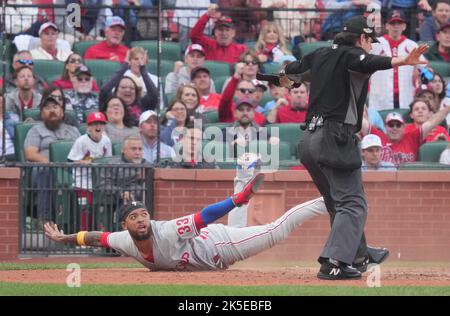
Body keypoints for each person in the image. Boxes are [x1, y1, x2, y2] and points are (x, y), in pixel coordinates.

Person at [269, 15, 427, 279]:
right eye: (370, 41)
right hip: (335, 138)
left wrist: (282, 77)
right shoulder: (353, 55)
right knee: (353, 203)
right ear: (362, 38)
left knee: (338, 202)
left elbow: (290, 71)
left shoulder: (318, 53)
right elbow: (370, 61)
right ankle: (334, 262)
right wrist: (403, 61)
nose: (371, 46)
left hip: (308, 141)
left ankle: (358, 253)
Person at [44, 174, 332, 272]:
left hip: (222, 246)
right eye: (134, 217)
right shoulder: (123, 241)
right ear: (125, 226)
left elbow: (203, 217)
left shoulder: (165, 231)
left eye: (144, 213)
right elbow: (95, 237)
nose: (142, 219)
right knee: (253, 228)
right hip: (212, 256)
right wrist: (65, 238)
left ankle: (326, 202)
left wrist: (238, 199)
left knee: (275, 230)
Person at [24, 95, 81, 223]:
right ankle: (45, 219)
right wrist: (52, 164)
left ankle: (76, 222)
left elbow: (82, 152)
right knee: (45, 171)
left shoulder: (73, 131)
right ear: (42, 113)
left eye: (55, 107)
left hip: (70, 170)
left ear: (62, 112)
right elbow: (30, 154)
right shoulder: (35, 130)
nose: (52, 110)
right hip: (43, 170)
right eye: (47, 107)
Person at [368, 10, 426, 111]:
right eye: (392, 23)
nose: (396, 26)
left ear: (404, 26)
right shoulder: (375, 44)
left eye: (399, 23)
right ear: (386, 26)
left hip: (405, 96)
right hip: (380, 97)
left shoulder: (412, 45)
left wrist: (421, 71)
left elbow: (424, 68)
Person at [67, 111, 112, 230]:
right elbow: (70, 161)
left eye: (101, 124)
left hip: (100, 182)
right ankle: (83, 236)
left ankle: (97, 237)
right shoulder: (81, 141)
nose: (98, 127)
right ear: (88, 127)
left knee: (100, 209)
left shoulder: (106, 141)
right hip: (82, 181)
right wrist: (83, 162)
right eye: (94, 124)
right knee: (85, 209)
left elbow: (108, 161)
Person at [96, 135, 150, 205]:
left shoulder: (147, 165)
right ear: (123, 150)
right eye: (133, 149)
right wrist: (121, 192)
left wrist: (145, 178)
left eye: (140, 149)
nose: (137, 153)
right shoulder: (112, 165)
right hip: (120, 203)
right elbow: (103, 185)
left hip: (145, 203)